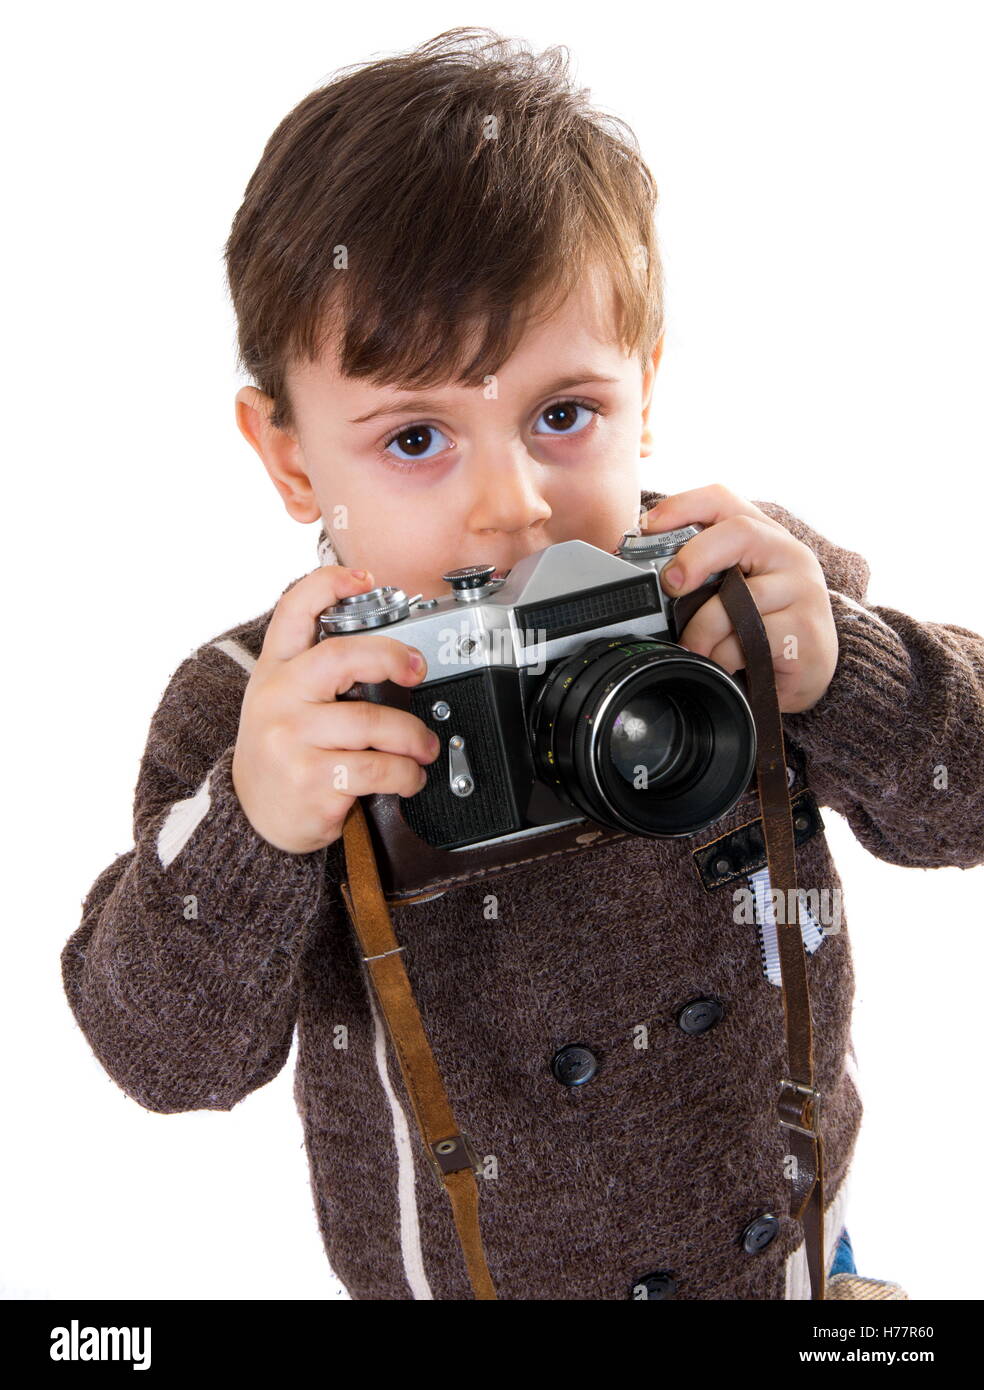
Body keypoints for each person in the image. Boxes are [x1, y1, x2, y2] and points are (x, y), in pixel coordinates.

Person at [61, 27, 984, 1300]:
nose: (511, 505)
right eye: (419, 434)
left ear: (642, 392)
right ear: (287, 457)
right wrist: (257, 827)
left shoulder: (719, 579)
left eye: (564, 415)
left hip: (796, 1276)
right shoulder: (267, 705)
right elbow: (164, 1059)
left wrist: (846, 677)